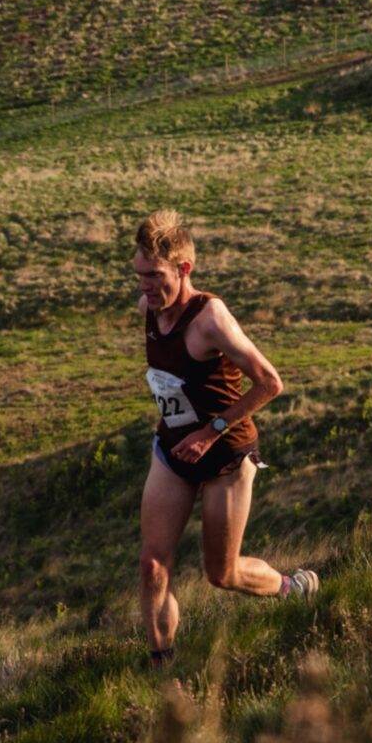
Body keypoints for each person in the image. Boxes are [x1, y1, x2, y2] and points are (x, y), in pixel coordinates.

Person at [133, 210, 315, 670]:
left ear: (184, 270)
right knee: (153, 564)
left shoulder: (210, 318)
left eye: (155, 276)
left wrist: (210, 430)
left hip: (227, 457)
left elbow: (270, 383)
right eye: (139, 276)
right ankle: (162, 669)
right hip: (174, 452)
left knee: (222, 573)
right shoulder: (148, 311)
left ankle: (293, 588)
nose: (145, 288)